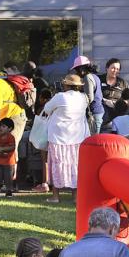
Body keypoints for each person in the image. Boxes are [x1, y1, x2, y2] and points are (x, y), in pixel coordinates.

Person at [40, 73, 88, 204]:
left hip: (58, 137)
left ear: (66, 85)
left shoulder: (60, 97)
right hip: (77, 137)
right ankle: (75, 197)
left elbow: (47, 108)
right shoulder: (84, 98)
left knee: (57, 165)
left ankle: (55, 196)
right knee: (75, 166)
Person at [70, 56, 104, 134]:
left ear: (81, 69)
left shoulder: (87, 77)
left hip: (94, 113)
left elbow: (89, 98)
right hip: (97, 112)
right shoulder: (95, 76)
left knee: (93, 140)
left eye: (76, 69)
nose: (76, 72)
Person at [100, 58, 129, 130]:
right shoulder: (99, 79)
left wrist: (120, 103)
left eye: (117, 69)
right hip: (101, 118)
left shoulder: (123, 83)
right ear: (107, 68)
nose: (115, 70)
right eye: (113, 68)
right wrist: (104, 101)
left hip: (117, 118)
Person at [0, 117, 17, 196]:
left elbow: (12, 147)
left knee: (8, 178)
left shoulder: (10, 137)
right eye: (0, 126)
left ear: (9, 129)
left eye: (4, 126)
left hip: (9, 162)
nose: (1, 128)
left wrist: (2, 149)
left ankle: (8, 192)